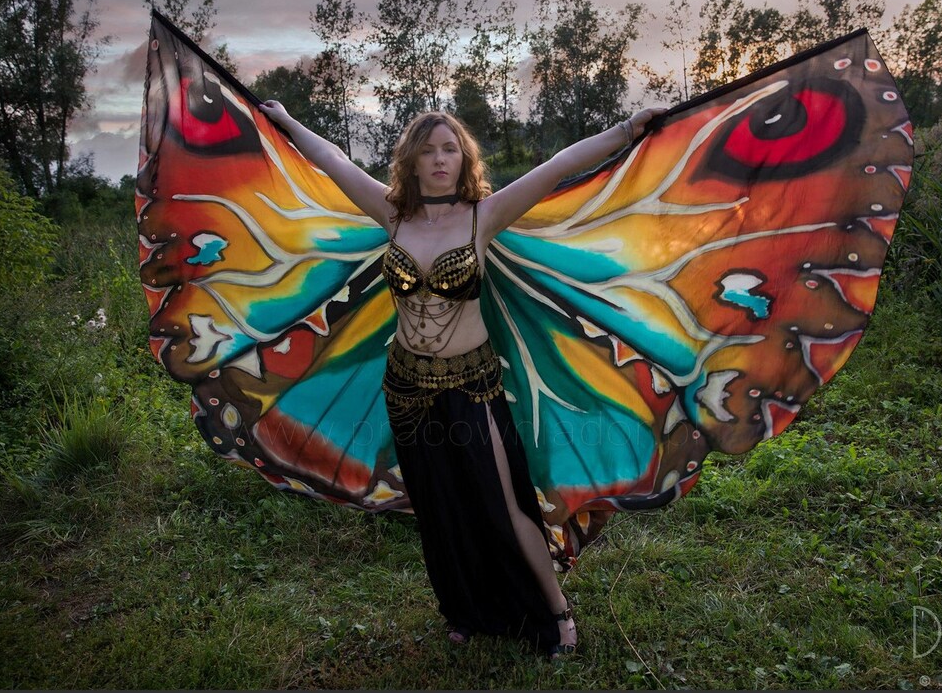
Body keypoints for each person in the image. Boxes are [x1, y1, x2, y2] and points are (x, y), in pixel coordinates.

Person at [258, 100, 667, 658]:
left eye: (449, 148)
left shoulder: (483, 215)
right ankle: (466, 609)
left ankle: (556, 612)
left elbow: (559, 166)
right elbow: (331, 159)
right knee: (439, 503)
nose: (439, 159)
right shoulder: (392, 214)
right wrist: (284, 120)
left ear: (463, 156)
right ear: (412, 160)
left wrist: (626, 129)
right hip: (405, 384)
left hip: (470, 383)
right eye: (427, 150)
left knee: (504, 500)